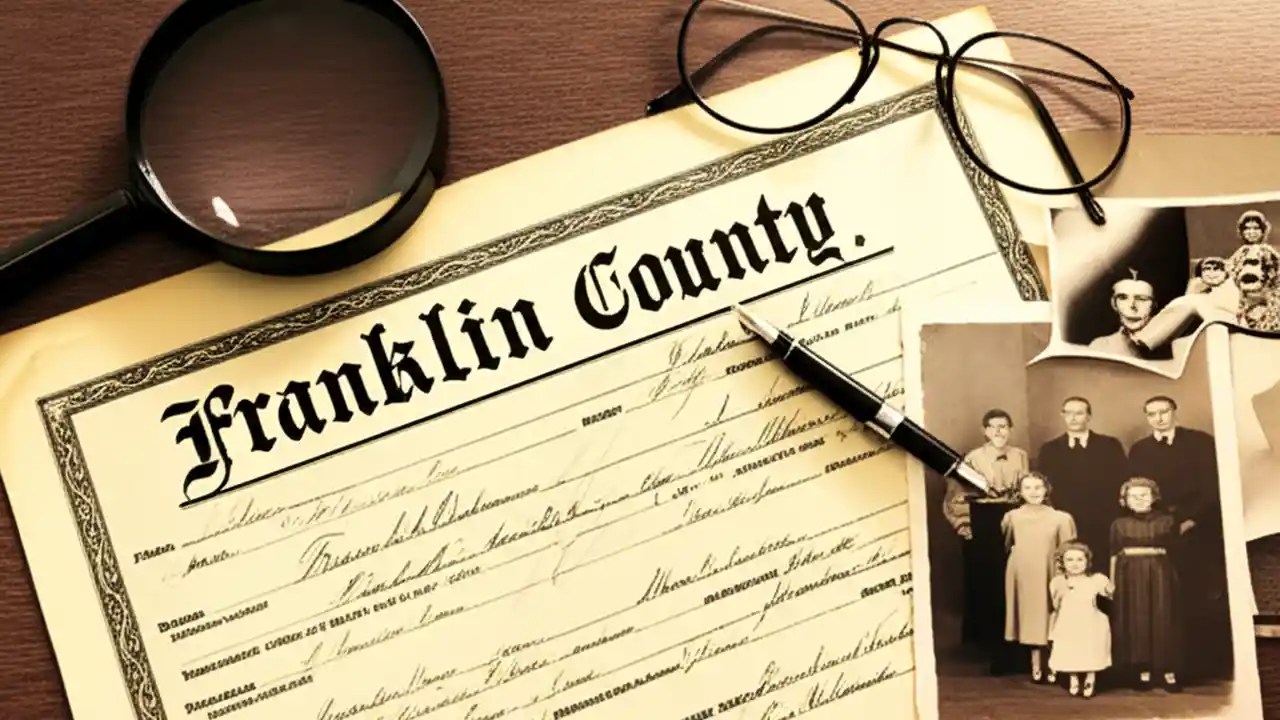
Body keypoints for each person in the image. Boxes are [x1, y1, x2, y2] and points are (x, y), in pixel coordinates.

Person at [1126, 395, 1229, 680]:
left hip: (1198, 530)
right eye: (1152, 414)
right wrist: (1155, 523)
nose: (1158, 418)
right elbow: (1137, 491)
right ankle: (1161, 665)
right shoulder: (1140, 450)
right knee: (1161, 599)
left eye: (1164, 412)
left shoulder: (1200, 442)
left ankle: (1200, 667)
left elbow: (1213, 487)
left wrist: (1191, 520)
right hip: (1157, 532)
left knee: (1196, 596)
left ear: (1174, 411)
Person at [943, 409, 1029, 648]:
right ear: (985, 431)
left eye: (1003, 426)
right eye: (993, 427)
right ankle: (983, 639)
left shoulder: (1021, 455)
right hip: (981, 519)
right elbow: (956, 494)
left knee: (1011, 574)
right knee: (983, 576)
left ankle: (1011, 635)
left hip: (1012, 518)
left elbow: (1029, 487)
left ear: (1010, 429)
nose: (998, 431)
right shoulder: (973, 457)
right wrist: (964, 526)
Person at [1001, 472, 1077, 683]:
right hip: (1022, 572)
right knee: (1030, 617)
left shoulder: (1061, 518)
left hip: (1050, 570)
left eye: (1038, 488)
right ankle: (1035, 665)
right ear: (1020, 492)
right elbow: (1007, 544)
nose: (1033, 492)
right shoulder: (1012, 517)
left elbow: (1068, 550)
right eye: (1028, 488)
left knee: (1051, 616)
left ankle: (1054, 663)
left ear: (1046, 490)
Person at [1109, 477, 1183, 692]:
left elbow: (1177, 552)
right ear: (1125, 500)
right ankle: (1144, 671)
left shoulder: (1168, 521)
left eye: (1144, 495)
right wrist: (1112, 582)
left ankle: (1168, 672)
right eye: (1133, 496)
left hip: (1160, 572)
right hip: (1129, 576)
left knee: (1163, 618)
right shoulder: (1118, 525)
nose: (1139, 499)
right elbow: (1113, 554)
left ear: (1154, 498)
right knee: (1137, 620)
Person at [1034, 396, 1128, 558]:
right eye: (1069, 413)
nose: (1073, 418)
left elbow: (1122, 482)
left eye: (1079, 413)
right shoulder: (1049, 449)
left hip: (1102, 521)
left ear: (1089, 416)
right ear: (1062, 415)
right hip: (1064, 520)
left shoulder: (1110, 445)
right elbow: (1042, 488)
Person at [1048, 539, 1114, 699]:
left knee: (1090, 648)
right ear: (1062, 562)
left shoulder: (1096, 580)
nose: (1075, 564)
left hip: (1091, 622)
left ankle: (1090, 678)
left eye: (1079, 559)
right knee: (1070, 649)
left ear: (1087, 561)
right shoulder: (1058, 582)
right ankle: (1073, 678)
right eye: (1069, 560)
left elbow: (1109, 596)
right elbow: (1056, 604)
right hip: (1069, 622)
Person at [1088, 270, 1169, 359]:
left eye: (1142, 299)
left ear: (1155, 305)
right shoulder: (1101, 347)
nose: (1132, 306)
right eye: (1123, 298)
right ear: (1114, 304)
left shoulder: (1172, 347)